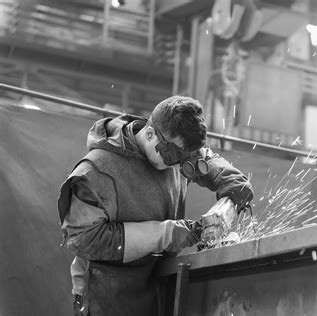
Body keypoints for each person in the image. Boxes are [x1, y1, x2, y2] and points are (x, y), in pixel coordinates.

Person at [58, 95, 253, 316]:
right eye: (174, 157)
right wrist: (165, 234)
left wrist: (232, 183)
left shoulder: (174, 150)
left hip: (156, 288)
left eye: (184, 159)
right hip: (106, 297)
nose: (178, 166)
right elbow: (83, 240)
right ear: (150, 134)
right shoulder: (97, 172)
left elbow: (207, 161)